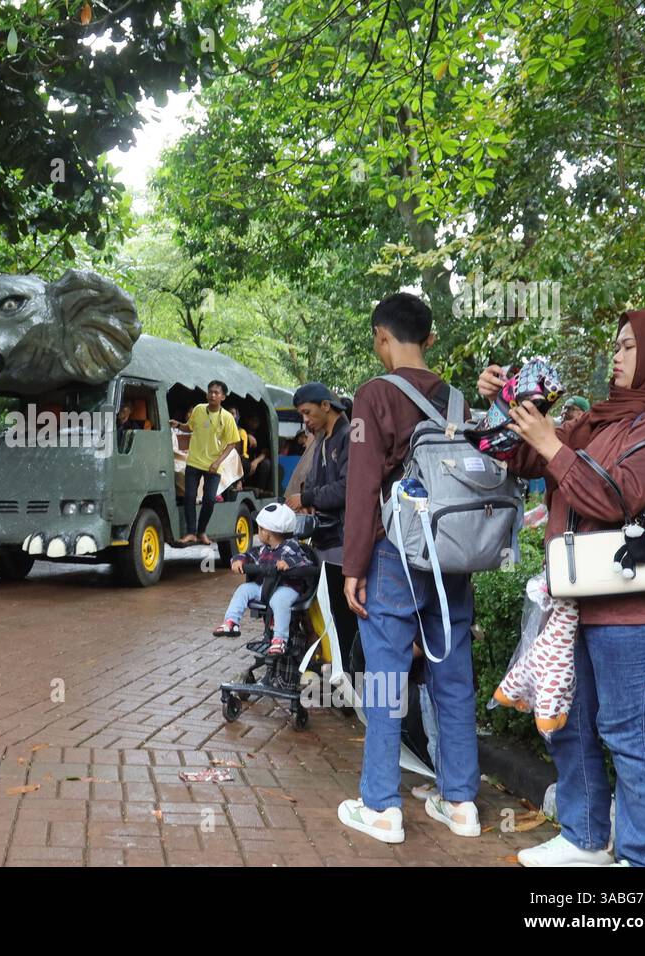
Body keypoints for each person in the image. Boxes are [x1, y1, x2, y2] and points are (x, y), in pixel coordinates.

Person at [480, 307, 645, 868]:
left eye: (630, 347)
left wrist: (554, 446)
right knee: (570, 718)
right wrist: (509, 402)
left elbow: (614, 497)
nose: (618, 355)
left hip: (640, 606)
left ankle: (644, 862)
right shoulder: (604, 418)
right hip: (581, 599)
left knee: (633, 735)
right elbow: (529, 457)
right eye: (618, 345)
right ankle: (583, 837)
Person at [338, 292, 479, 845]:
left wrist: (354, 564)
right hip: (451, 556)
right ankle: (461, 801)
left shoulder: (372, 395)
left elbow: (362, 483)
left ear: (381, 336)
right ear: (431, 338)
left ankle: (380, 807)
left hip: (396, 553)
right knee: (453, 676)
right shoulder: (457, 400)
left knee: (388, 679)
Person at [286, 382, 355, 671]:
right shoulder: (322, 439)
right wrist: (307, 501)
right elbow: (315, 483)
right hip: (324, 540)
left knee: (346, 618)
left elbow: (347, 488)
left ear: (326, 406)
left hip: (343, 541)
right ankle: (339, 672)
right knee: (331, 615)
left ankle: (353, 679)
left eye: (307, 412)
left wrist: (308, 497)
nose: (305, 420)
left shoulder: (349, 436)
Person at [212, 503, 312, 655]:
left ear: (268, 533)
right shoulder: (263, 549)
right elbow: (248, 555)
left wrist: (289, 563)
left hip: (287, 588)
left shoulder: (292, 547)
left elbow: (305, 561)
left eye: (259, 529)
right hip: (265, 586)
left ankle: (280, 639)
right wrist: (238, 560)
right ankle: (231, 622)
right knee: (243, 590)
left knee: (279, 601)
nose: (258, 532)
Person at [169, 380, 240, 545]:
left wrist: (218, 462)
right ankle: (191, 533)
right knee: (189, 497)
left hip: (214, 465)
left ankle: (201, 531)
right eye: (210, 392)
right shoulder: (199, 410)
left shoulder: (227, 418)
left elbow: (232, 443)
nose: (212, 395)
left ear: (223, 397)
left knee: (209, 499)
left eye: (216, 393)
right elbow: (190, 427)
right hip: (194, 461)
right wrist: (179, 424)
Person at [242, 413, 273, 495]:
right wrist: (247, 436)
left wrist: (256, 462)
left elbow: (265, 452)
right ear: (247, 421)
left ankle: (260, 490)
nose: (253, 423)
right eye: (251, 420)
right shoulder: (242, 431)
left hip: (256, 462)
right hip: (244, 460)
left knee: (266, 463)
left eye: (256, 421)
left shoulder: (261, 434)